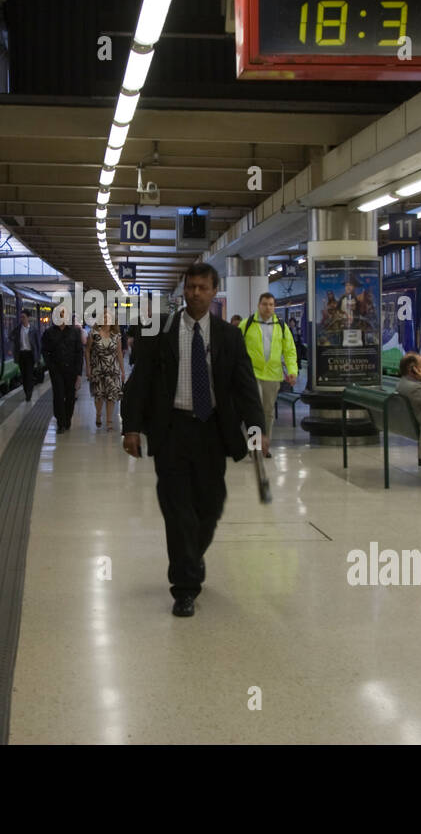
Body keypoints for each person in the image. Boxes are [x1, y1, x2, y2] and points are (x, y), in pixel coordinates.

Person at [121, 262, 265, 618]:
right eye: (190, 287)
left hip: (213, 431)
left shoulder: (229, 337)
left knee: (210, 507)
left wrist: (256, 429)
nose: (195, 293)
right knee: (177, 511)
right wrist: (131, 427)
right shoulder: (161, 331)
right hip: (172, 431)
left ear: (215, 291)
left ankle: (192, 556)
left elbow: (245, 387)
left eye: (202, 287)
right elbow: (140, 383)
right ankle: (184, 587)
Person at [242, 292, 298, 458]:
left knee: (268, 412)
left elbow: (289, 351)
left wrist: (292, 371)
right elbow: (235, 350)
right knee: (253, 410)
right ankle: (254, 446)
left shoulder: (282, 326)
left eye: (271, 304)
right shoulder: (247, 324)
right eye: (265, 304)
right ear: (259, 305)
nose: (268, 307)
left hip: (273, 376)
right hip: (251, 375)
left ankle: (265, 445)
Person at [42, 310, 83, 433]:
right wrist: (50, 366)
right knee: (58, 396)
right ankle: (60, 422)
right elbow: (45, 351)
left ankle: (68, 418)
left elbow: (79, 352)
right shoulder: (49, 333)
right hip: (56, 370)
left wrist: (79, 373)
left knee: (70, 396)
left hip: (71, 370)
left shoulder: (75, 332)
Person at [85, 314, 124, 430]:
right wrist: (88, 368)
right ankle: (98, 414)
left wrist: (122, 371)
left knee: (111, 396)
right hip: (98, 370)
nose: (107, 320)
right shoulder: (93, 333)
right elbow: (87, 351)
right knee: (99, 395)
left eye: (109, 317)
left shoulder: (116, 335)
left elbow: (119, 353)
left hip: (113, 370)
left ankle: (109, 421)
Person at [10, 309, 40, 402]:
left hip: (30, 354)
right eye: (21, 317)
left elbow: (38, 344)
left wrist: (38, 357)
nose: (22, 319)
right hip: (21, 354)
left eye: (23, 317)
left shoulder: (33, 330)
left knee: (29, 375)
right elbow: (10, 336)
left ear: (28, 318)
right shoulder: (18, 329)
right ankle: (26, 391)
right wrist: (15, 343)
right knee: (23, 375)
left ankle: (29, 393)